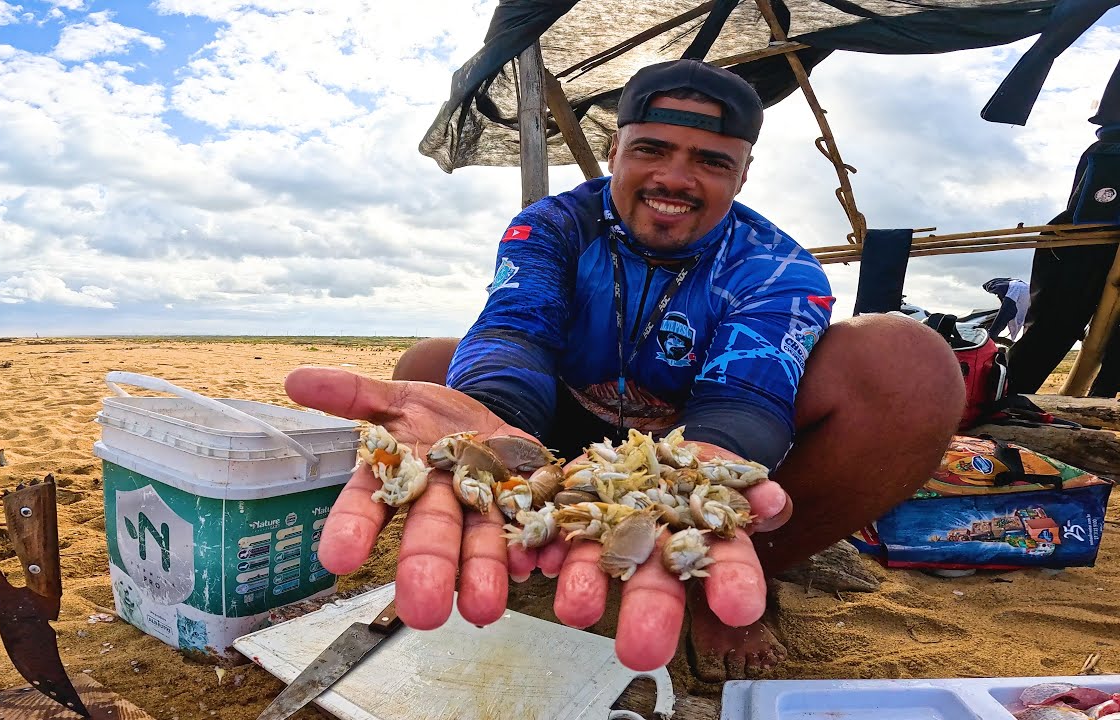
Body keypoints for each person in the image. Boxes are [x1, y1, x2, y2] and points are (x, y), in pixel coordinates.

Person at [284, 59, 965, 681]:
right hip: (562, 424)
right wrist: (488, 432)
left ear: (743, 173)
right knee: (432, 365)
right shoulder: (552, 225)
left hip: (692, 434)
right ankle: (535, 526)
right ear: (615, 152)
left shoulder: (778, 267)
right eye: (651, 150)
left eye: (710, 161)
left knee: (909, 363)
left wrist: (707, 475)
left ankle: (731, 571)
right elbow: (513, 331)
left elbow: (747, 396)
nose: (675, 178)